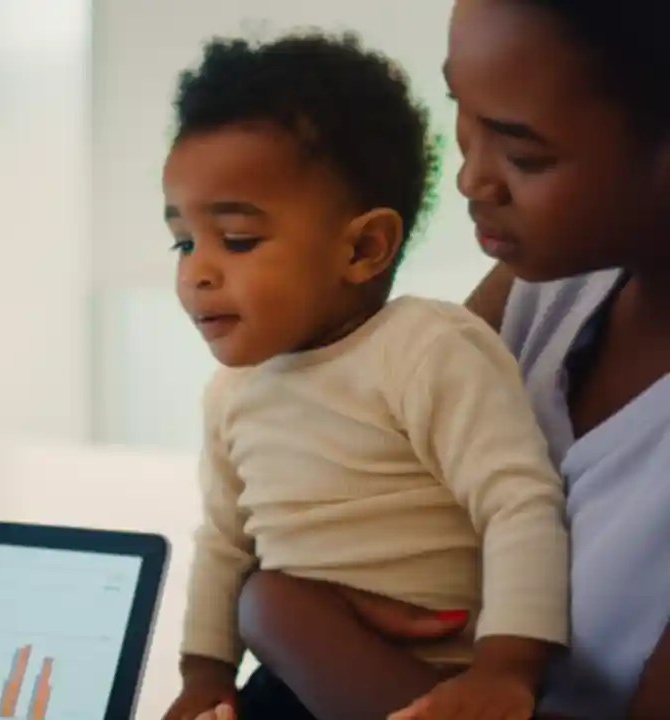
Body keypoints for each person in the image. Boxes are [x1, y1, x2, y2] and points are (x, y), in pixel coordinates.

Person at [191, 1, 670, 719]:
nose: (471, 181)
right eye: (461, 113)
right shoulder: (548, 289)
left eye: (523, 152)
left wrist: (282, 615)